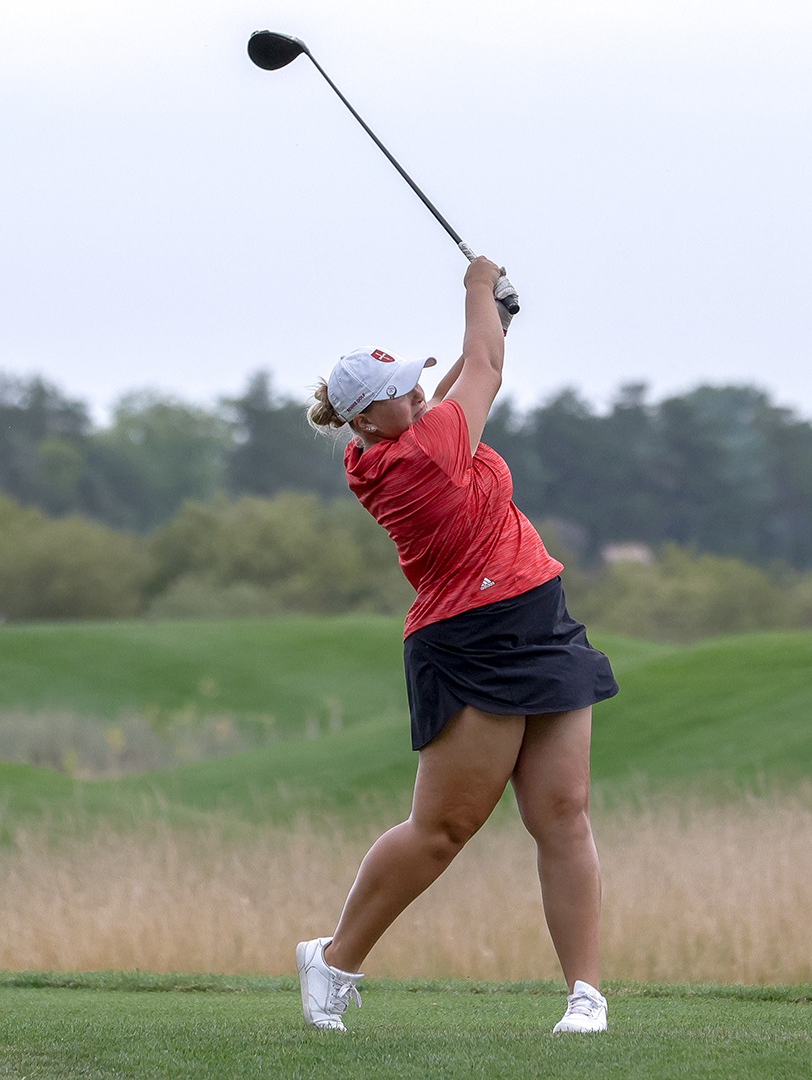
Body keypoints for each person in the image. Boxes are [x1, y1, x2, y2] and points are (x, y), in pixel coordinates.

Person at [297, 256, 619, 1034]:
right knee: (443, 832)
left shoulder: (388, 439)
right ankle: (333, 961)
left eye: (411, 383)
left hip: (539, 617)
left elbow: (450, 396)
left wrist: (494, 316)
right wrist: (479, 288)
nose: (414, 395)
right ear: (364, 421)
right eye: (394, 395)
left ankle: (586, 995)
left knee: (564, 811)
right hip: (468, 640)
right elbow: (483, 372)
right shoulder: (419, 454)